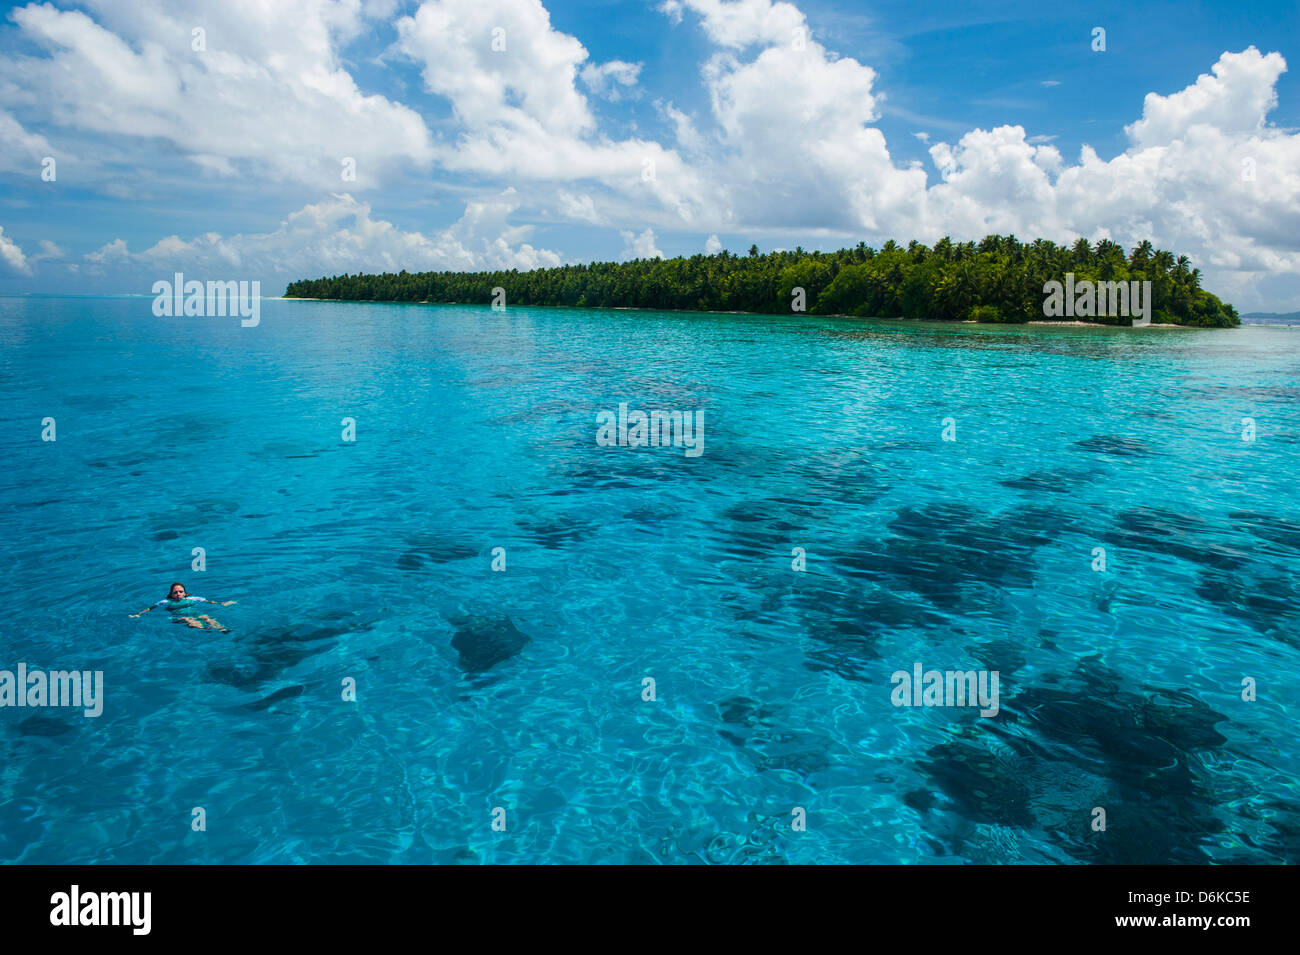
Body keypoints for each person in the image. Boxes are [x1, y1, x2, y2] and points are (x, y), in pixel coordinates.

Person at [131, 582, 236, 631]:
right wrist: (138, 614)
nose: (178, 594)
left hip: (194, 613)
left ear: (185, 593)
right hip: (177, 617)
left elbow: (209, 601)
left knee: (205, 616)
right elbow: (151, 608)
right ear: (171, 594)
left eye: (180, 592)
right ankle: (205, 629)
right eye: (175, 592)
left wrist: (222, 603)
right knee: (187, 618)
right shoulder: (165, 602)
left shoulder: (192, 599)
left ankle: (222, 629)